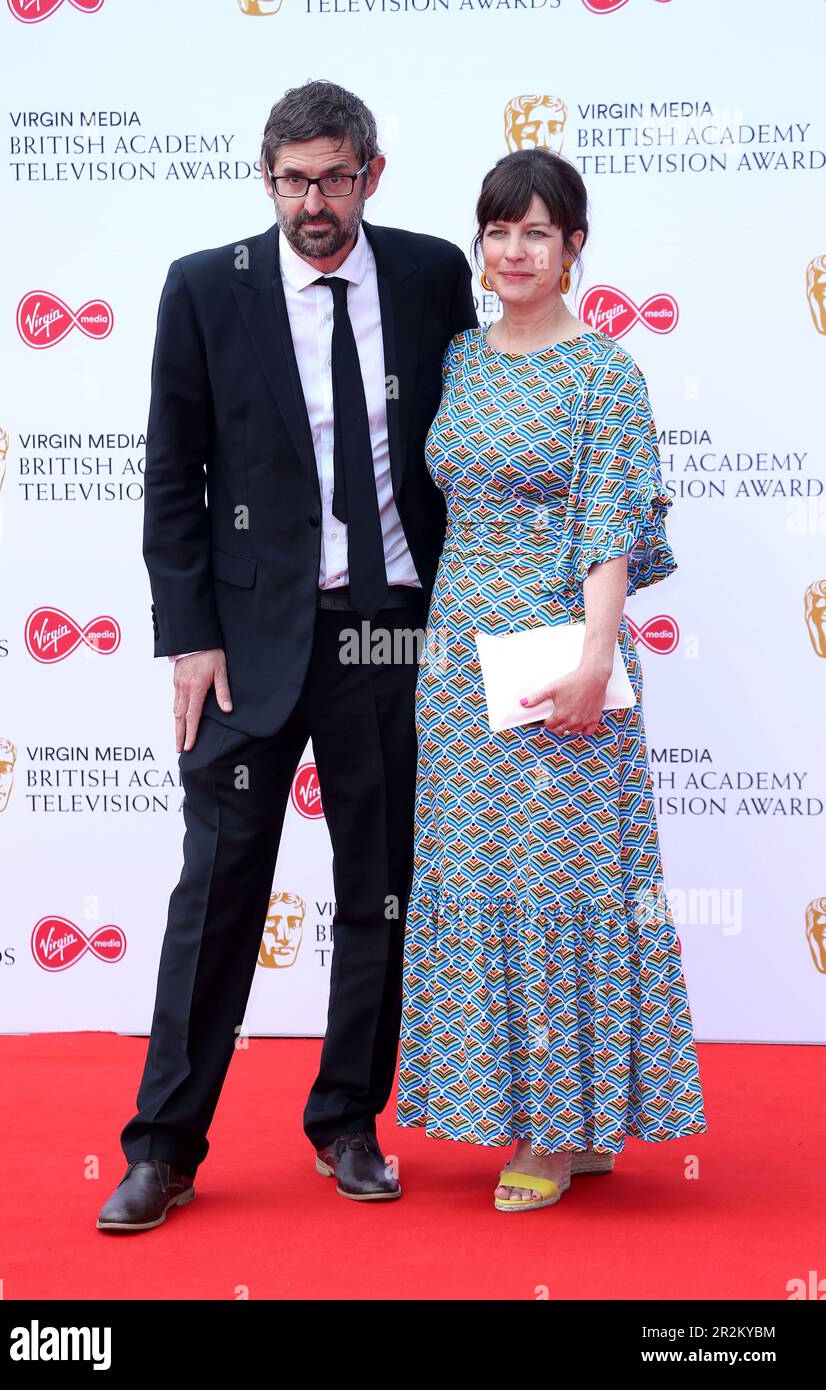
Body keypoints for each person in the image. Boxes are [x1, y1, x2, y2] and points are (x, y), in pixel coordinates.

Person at [96, 79, 477, 1232]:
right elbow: (173, 475)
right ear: (267, 180)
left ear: (371, 173)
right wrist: (188, 637)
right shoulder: (207, 288)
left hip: (389, 632)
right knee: (214, 897)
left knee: (379, 891)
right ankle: (163, 1145)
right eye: (292, 180)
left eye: (334, 177)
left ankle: (347, 1119)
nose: (314, 202)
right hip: (250, 641)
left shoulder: (424, 275)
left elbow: (458, 443)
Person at [396, 147, 707, 1211]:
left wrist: (591, 659)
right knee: (484, 878)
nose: (513, 251)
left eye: (536, 232)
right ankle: (545, 1114)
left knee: (561, 887)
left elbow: (610, 530)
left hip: (557, 660)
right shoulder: (458, 358)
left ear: (575, 247)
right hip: (456, 660)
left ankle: (556, 1129)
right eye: (497, 231)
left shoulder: (602, 372)